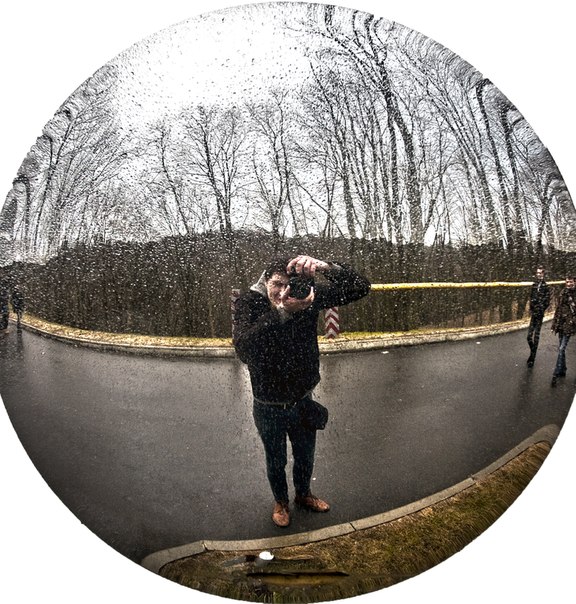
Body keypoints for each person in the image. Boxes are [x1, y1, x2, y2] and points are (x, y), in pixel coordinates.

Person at [233, 254, 370, 527]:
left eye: (289, 285)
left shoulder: (308, 295)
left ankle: (304, 494)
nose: (284, 292)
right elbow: (244, 350)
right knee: (276, 460)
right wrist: (282, 312)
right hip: (268, 404)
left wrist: (325, 267)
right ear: (265, 281)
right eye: (277, 284)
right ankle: (281, 502)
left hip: (302, 399)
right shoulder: (250, 302)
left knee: (305, 456)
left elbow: (360, 288)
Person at [550, 275, 576, 387]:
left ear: (575, 282)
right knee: (562, 348)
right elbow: (558, 310)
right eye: (567, 282)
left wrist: (571, 321)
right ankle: (562, 369)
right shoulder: (563, 293)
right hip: (561, 324)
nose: (569, 284)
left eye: (571, 282)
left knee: (561, 348)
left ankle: (555, 373)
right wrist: (554, 325)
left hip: (569, 325)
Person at [526, 266, 550, 367]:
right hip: (533, 314)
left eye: (540, 273)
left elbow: (547, 301)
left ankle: (532, 357)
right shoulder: (534, 285)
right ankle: (533, 351)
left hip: (539, 314)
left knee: (536, 336)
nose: (538, 275)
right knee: (529, 336)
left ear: (543, 274)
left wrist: (541, 308)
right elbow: (531, 297)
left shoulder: (546, 286)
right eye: (537, 273)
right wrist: (532, 308)